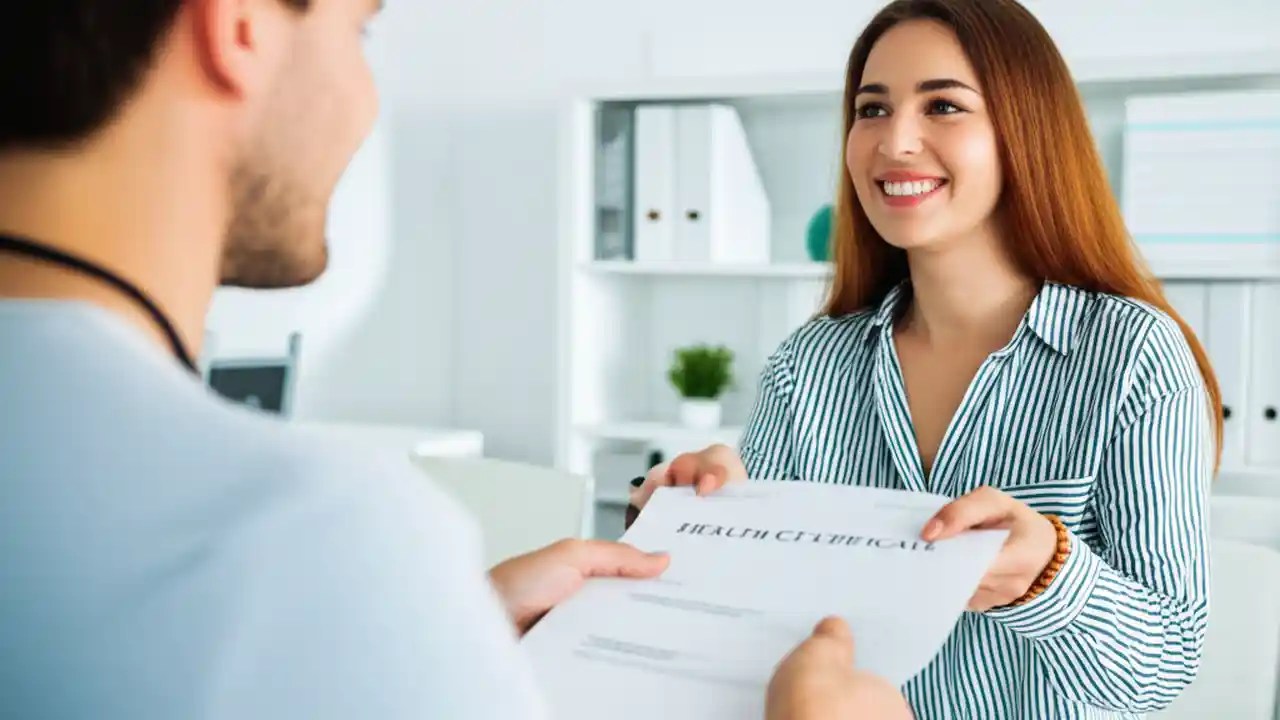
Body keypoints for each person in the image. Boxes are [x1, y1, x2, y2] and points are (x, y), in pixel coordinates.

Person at [0, 1, 913, 718]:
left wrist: (442, 621)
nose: (365, 99)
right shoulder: (295, 532)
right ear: (236, 27)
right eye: (361, 29)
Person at [632, 0, 1219, 718]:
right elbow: (758, 637)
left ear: (1023, 131)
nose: (894, 141)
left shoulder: (1132, 355)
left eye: (942, 105)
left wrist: (1049, 575)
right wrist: (697, 533)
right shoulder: (809, 364)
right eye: (871, 109)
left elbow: (1163, 667)